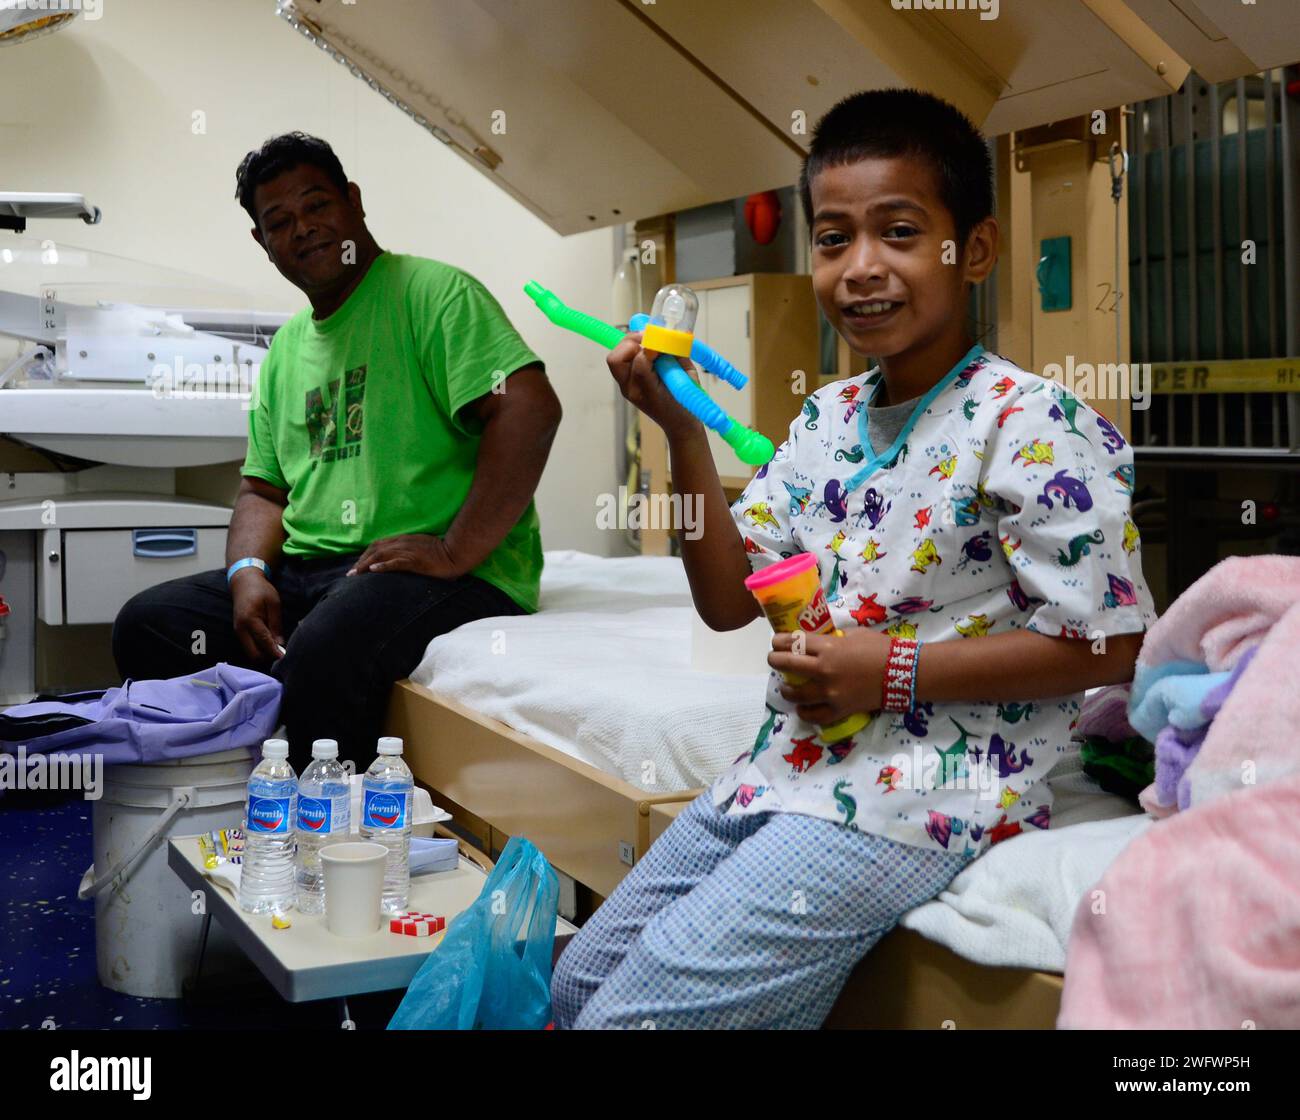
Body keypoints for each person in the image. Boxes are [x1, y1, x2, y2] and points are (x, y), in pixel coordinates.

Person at [552, 88, 1157, 1029]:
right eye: (833, 240)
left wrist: (895, 670)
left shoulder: (1032, 421)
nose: (861, 268)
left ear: (977, 250)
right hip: (784, 769)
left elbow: (1110, 646)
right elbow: (724, 601)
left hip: (923, 797)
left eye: (901, 232)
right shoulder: (825, 422)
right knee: (577, 985)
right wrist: (679, 432)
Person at [112, 133, 561, 769]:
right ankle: (232, 790)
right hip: (315, 574)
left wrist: (455, 549)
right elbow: (263, 491)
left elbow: (529, 408)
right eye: (280, 222)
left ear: (353, 202)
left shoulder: (433, 295)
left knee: (325, 644)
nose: (304, 229)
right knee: (148, 623)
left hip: (444, 572)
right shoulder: (288, 349)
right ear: (263, 243)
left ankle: (310, 837)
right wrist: (249, 574)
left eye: (317, 205)